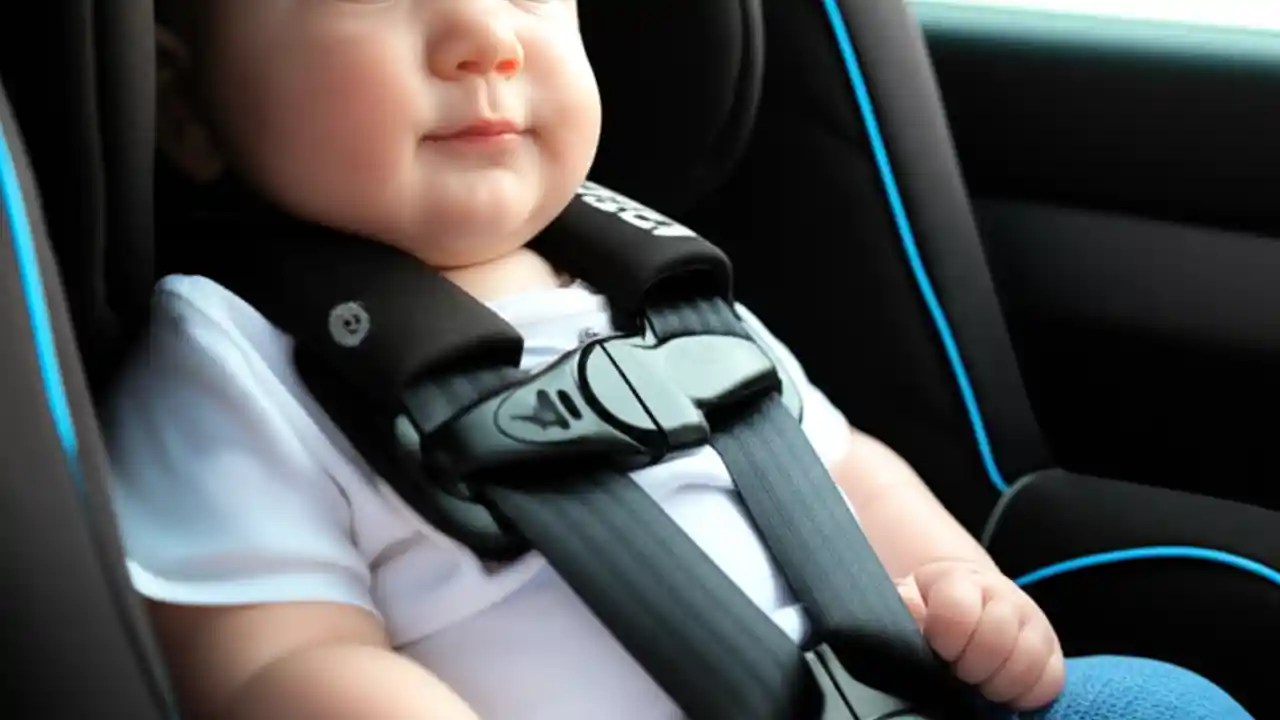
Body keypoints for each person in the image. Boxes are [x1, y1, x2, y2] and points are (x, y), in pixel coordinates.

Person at [104, 1, 1254, 719]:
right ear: (185, 105)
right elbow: (263, 661)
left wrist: (966, 604)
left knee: (1161, 701)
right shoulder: (236, 350)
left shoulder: (657, 288)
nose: (483, 35)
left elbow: (846, 473)